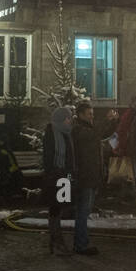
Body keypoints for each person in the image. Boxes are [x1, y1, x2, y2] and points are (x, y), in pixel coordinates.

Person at [70, 101, 104, 255]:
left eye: (93, 114)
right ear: (81, 114)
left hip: (89, 176)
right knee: (83, 211)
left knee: (83, 211)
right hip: (86, 177)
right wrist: (109, 121)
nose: (92, 117)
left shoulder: (83, 129)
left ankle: (81, 242)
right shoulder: (80, 130)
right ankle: (81, 244)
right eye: (89, 114)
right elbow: (96, 135)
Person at [43, 106, 74, 255]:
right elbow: (48, 156)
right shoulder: (52, 133)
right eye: (68, 118)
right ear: (61, 119)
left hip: (65, 175)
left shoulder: (66, 133)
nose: (70, 121)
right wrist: (51, 173)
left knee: (60, 207)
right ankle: (57, 240)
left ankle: (55, 240)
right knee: (55, 208)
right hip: (56, 175)